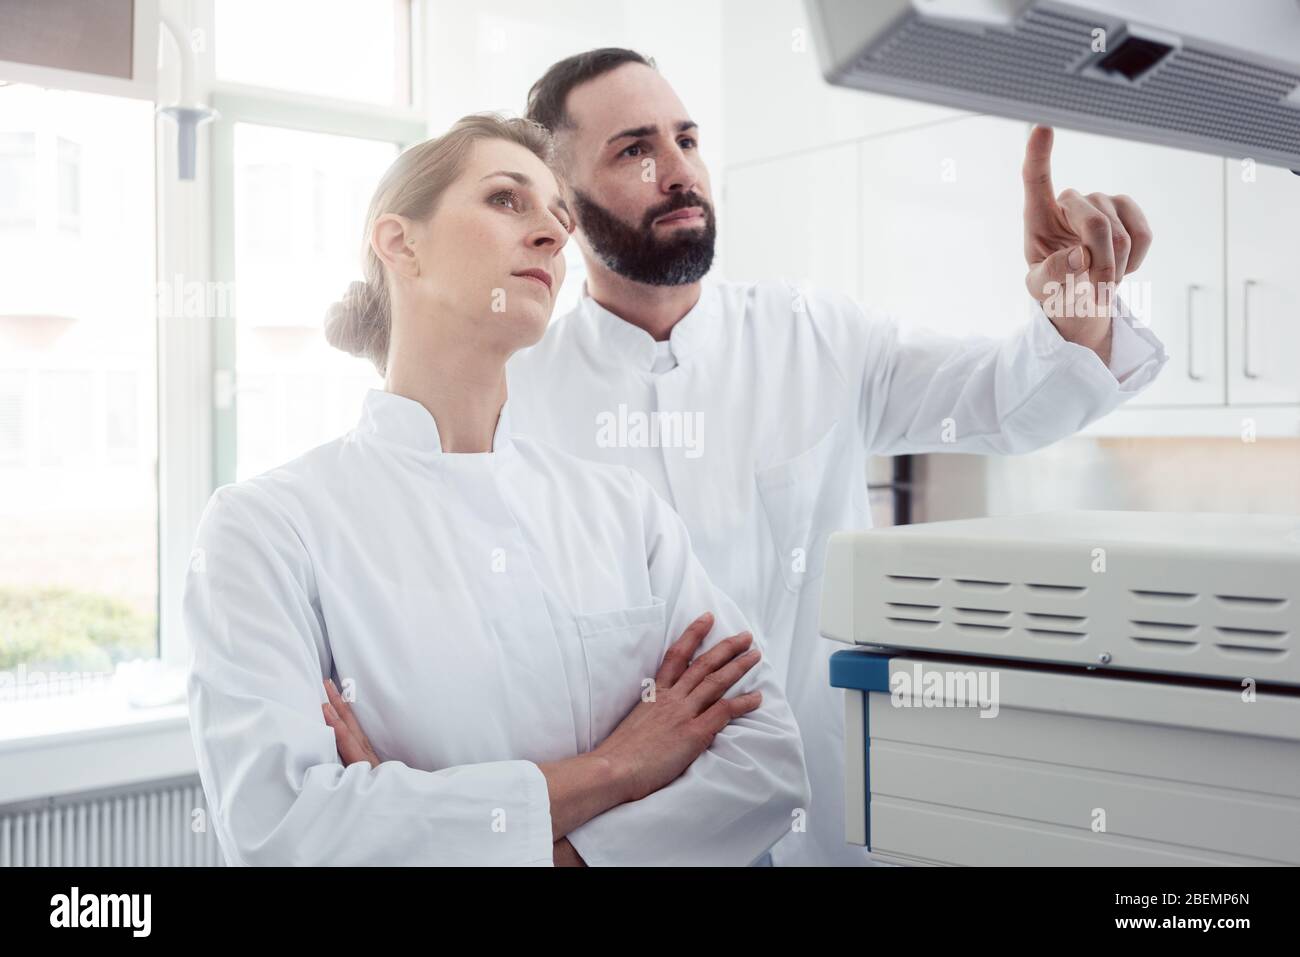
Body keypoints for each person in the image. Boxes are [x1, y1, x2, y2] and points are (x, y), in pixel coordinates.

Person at [504, 49, 1170, 866]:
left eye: (687, 139)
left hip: (825, 830)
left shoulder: (814, 335)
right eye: (635, 149)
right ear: (561, 203)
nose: (680, 171)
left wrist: (1077, 301)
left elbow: (1005, 401)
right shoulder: (514, 399)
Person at [183, 113, 809, 867]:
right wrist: (620, 765)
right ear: (400, 241)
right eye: (507, 200)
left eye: (559, 215)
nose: (552, 235)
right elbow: (288, 834)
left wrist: (453, 829)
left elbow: (767, 759)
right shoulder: (267, 529)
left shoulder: (623, 512)